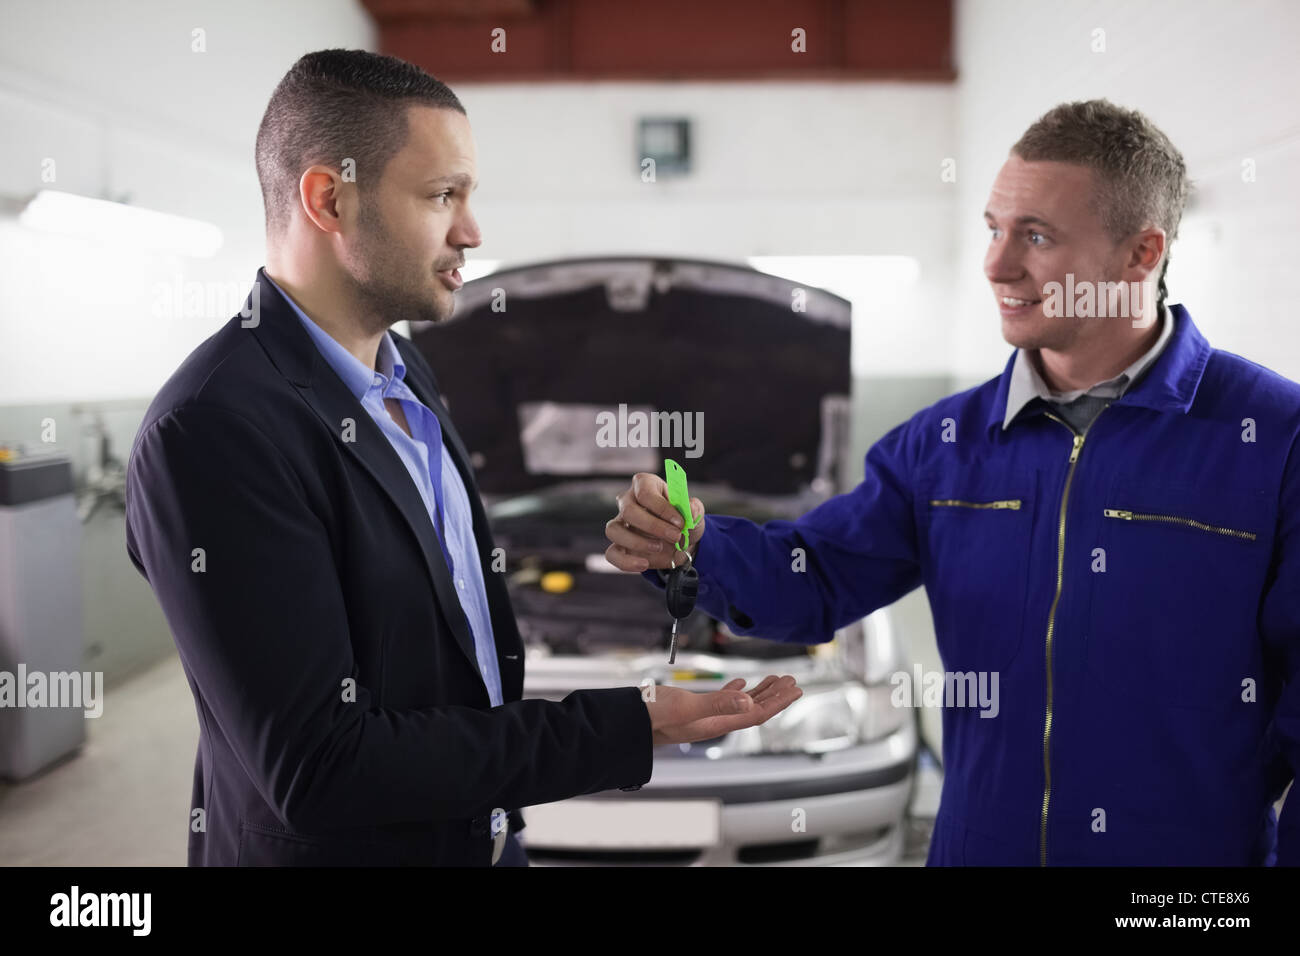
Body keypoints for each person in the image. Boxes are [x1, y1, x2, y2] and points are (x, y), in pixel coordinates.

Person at [124, 48, 800, 867]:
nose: (472, 232)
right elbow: (319, 767)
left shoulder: (408, 376)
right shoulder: (214, 430)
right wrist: (633, 722)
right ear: (329, 198)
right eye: (443, 195)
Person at [605, 99, 1299, 866]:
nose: (997, 265)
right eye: (994, 229)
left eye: (1036, 236)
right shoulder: (944, 445)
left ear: (1140, 254)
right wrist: (694, 546)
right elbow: (813, 580)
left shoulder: (1272, 439)